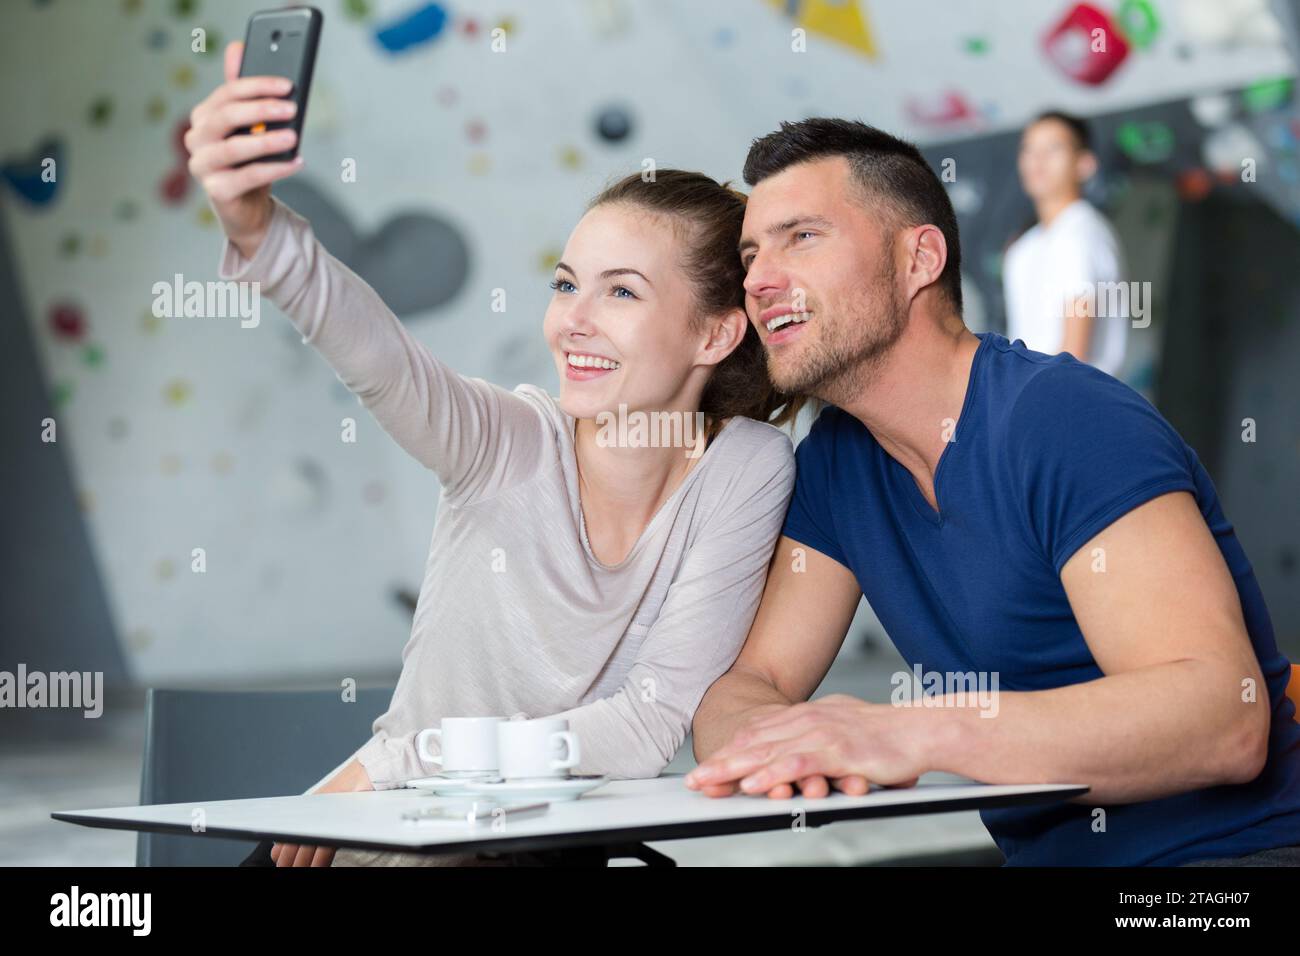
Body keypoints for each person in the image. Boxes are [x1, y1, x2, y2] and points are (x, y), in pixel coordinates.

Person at [186, 42, 802, 866]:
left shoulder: (747, 468)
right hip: (382, 846)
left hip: (504, 836)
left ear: (716, 332)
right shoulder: (504, 442)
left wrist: (401, 765)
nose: (572, 319)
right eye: (564, 283)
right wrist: (255, 224)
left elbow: (648, 724)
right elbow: (377, 357)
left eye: (620, 291)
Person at [685, 118, 1300, 866]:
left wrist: (909, 731)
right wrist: (769, 747)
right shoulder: (836, 465)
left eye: (801, 238)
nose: (757, 279)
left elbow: (1222, 723)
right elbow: (758, 678)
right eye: (752, 253)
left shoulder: (1066, 418)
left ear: (920, 258)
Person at [1002, 110, 1129, 377]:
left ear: (1085, 164)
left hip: (1071, 402)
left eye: (1053, 148)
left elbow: (1073, 355)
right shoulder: (1022, 250)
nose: (1038, 160)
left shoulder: (1082, 233)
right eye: (1029, 149)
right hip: (1031, 398)